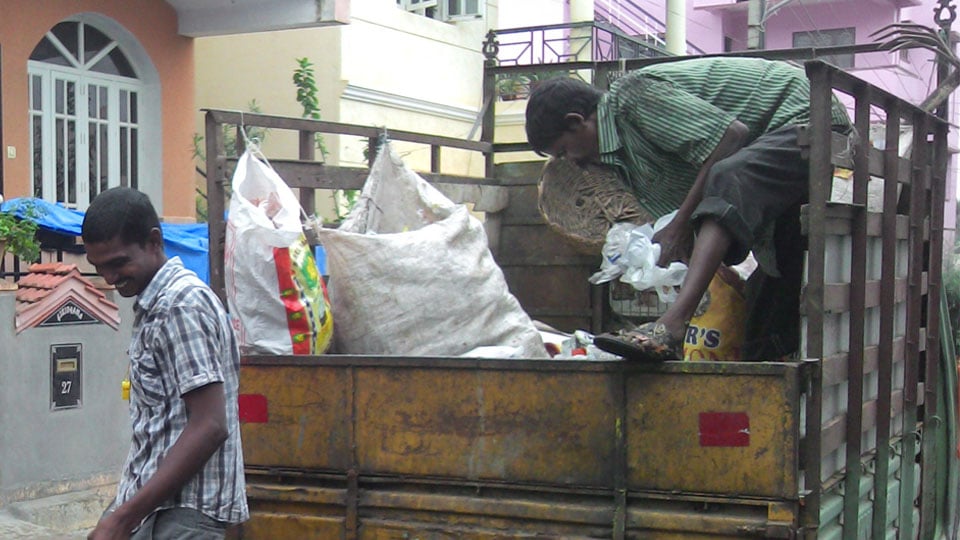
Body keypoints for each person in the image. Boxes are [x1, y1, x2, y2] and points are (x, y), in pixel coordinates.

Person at [525, 57, 852, 361]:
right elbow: (710, 209)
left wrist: (680, 225)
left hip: (809, 121)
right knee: (759, 336)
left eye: (564, 151)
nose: (572, 162)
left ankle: (674, 323)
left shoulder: (630, 96)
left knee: (727, 173)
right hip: (774, 172)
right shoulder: (626, 165)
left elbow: (731, 136)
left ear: (576, 122)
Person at [82, 187, 248, 539]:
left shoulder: (180, 305)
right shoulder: (156, 305)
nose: (110, 278)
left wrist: (123, 518)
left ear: (154, 242)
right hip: (158, 511)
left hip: (184, 514)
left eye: (118, 263)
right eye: (100, 268)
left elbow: (210, 424)